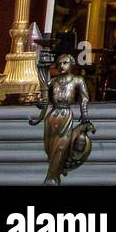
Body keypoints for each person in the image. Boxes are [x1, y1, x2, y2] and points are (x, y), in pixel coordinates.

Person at [30, 53, 95, 184]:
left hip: (66, 116)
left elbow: (84, 98)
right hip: (52, 117)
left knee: (61, 148)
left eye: (65, 63)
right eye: (59, 64)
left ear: (71, 64)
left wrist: (85, 113)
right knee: (50, 149)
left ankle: (51, 178)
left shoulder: (78, 80)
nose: (62, 66)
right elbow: (43, 98)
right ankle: (54, 175)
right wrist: (39, 103)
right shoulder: (53, 81)